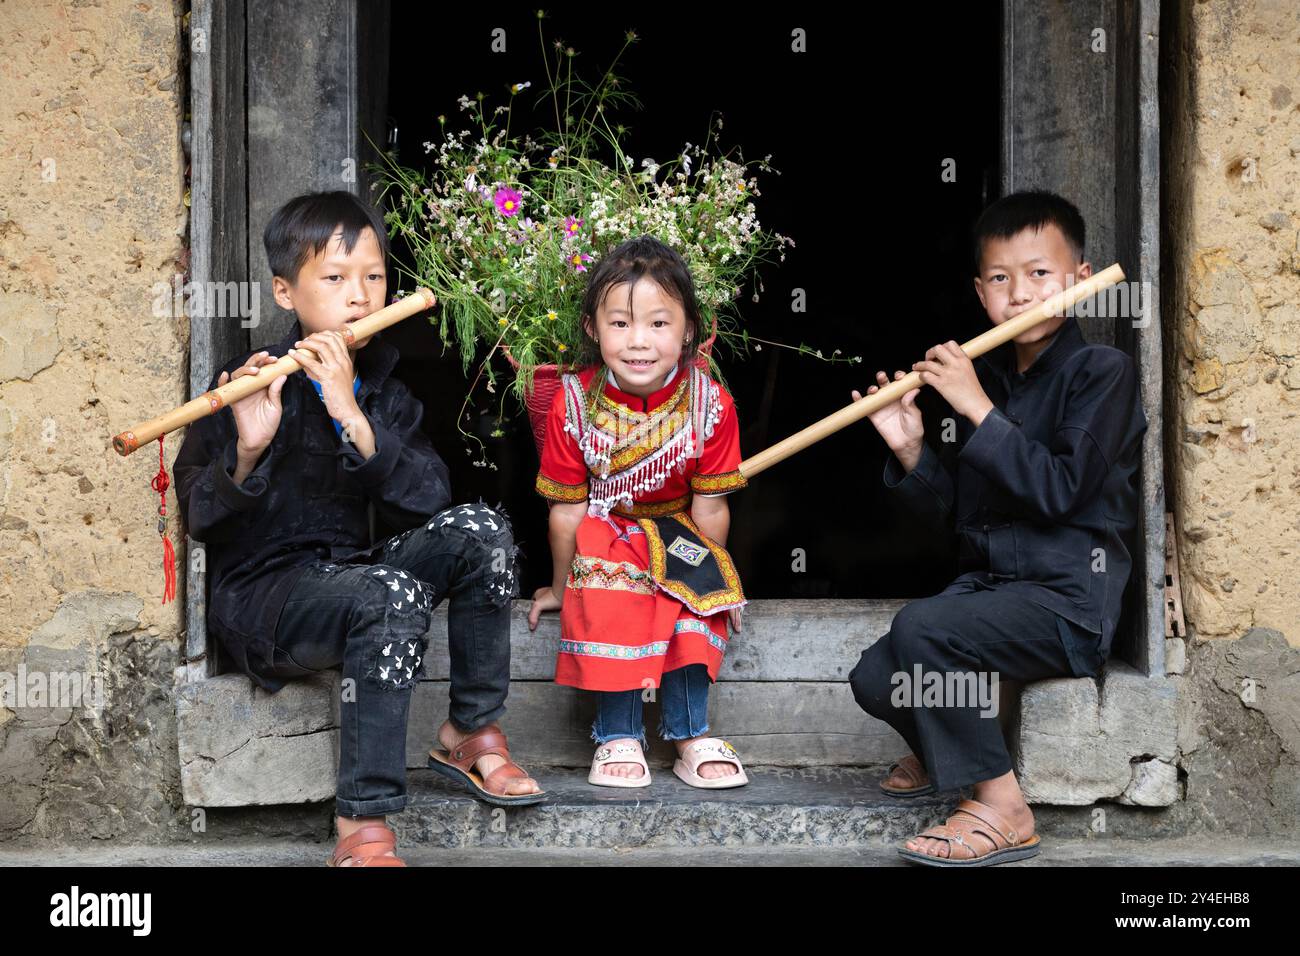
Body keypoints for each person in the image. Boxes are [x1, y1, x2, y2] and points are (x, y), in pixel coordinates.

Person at [174, 190, 543, 868]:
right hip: (266, 597)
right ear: (286, 292)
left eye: (374, 277)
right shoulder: (246, 385)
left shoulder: (383, 393)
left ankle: (470, 730)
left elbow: (429, 499)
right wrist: (248, 449)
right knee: (388, 595)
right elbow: (199, 518)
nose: (361, 296)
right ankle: (362, 823)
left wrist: (354, 417)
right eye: (336, 278)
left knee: (483, 532)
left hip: (354, 570)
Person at [848, 190, 1147, 866]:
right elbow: (961, 522)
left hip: (1068, 602)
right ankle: (949, 749)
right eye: (1000, 279)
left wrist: (977, 409)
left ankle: (1003, 807)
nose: (1019, 296)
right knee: (875, 677)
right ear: (979, 291)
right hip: (996, 593)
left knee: (922, 628)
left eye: (1039, 274)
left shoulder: (1102, 373)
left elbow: (1062, 492)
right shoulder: (987, 383)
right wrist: (910, 450)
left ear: (1080, 279)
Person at [526, 235, 750, 789]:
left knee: (693, 600)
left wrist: (719, 579)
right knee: (612, 583)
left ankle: (690, 733)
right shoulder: (572, 402)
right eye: (620, 324)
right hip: (605, 528)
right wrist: (559, 586)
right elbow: (566, 514)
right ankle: (618, 732)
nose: (638, 342)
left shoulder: (710, 403)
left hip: (681, 527)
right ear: (591, 329)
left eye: (658, 323)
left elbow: (711, 508)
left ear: (690, 329)